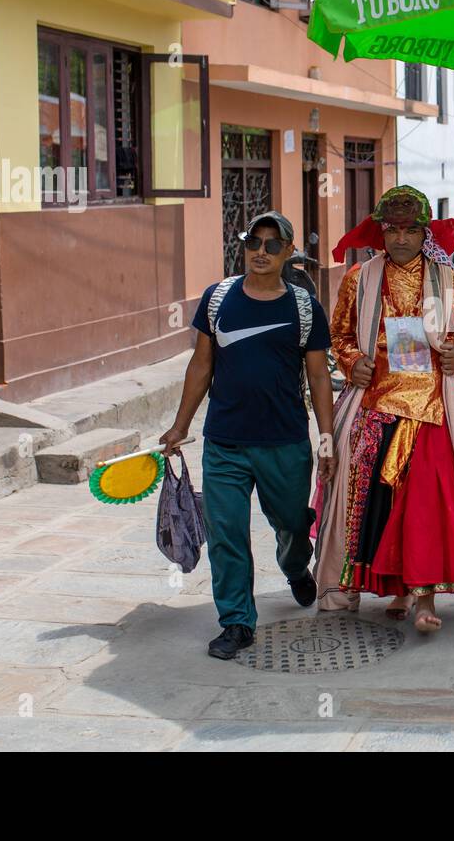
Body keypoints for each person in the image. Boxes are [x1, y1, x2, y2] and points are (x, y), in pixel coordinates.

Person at [315, 186, 454, 633]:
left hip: (436, 400)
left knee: (428, 496)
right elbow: (340, 336)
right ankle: (385, 585)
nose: (400, 239)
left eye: (410, 230)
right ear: (381, 232)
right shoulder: (360, 278)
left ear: (423, 233)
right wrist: (352, 362)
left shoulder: (447, 279)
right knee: (365, 492)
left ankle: (423, 594)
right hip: (375, 397)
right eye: (392, 230)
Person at [160, 212, 335, 660]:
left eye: (272, 245)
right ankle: (236, 622)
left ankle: (295, 566)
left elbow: (318, 376)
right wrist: (180, 425)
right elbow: (201, 365)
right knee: (227, 533)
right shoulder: (218, 298)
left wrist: (327, 436)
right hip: (225, 443)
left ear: (288, 252)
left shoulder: (303, 307)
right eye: (253, 242)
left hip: (285, 442)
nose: (261, 251)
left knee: (292, 523)